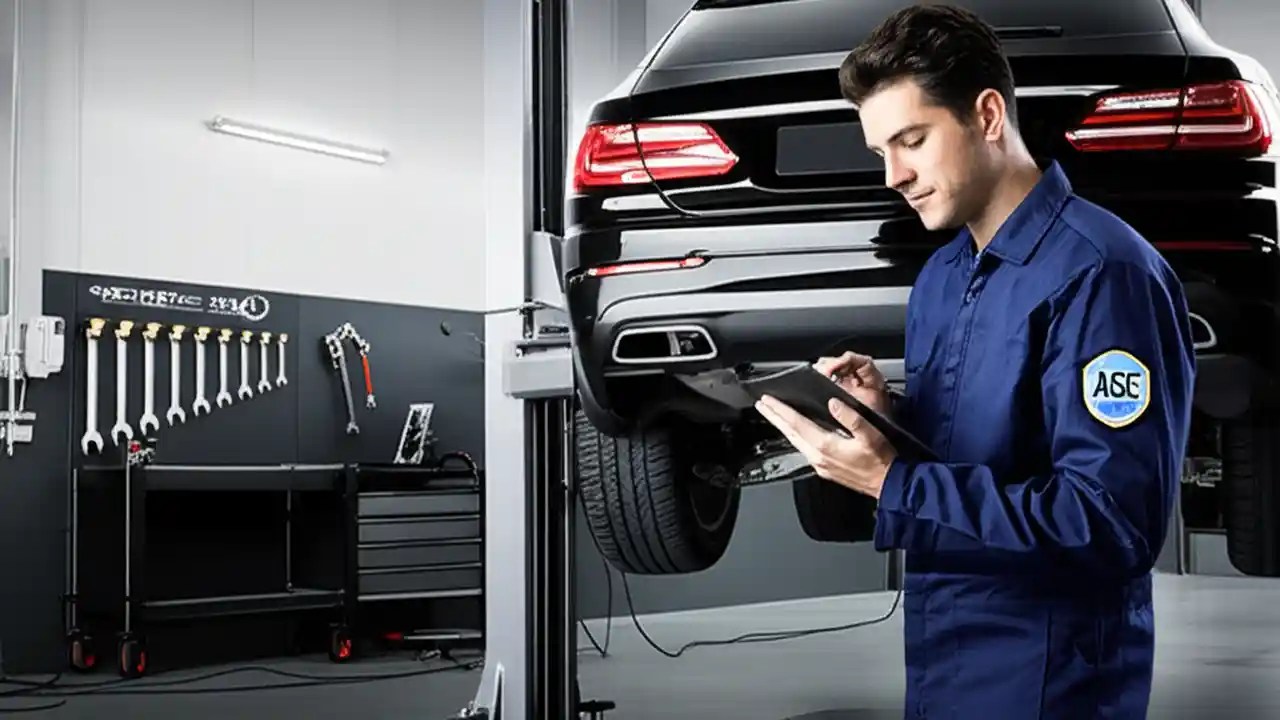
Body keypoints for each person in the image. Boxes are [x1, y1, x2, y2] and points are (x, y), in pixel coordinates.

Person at [753, 4, 1196, 719]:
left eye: (912, 140)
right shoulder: (942, 278)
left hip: (1053, 678)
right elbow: (974, 461)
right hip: (943, 660)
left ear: (988, 115)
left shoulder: (1103, 275)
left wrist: (894, 482)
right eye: (880, 153)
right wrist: (885, 422)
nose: (893, 174)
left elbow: (1111, 523)